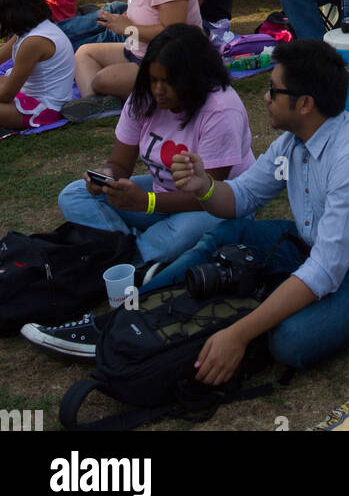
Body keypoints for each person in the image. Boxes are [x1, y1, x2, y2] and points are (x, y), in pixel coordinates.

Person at [129, 39, 349, 380]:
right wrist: (204, 186)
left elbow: (325, 270)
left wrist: (238, 335)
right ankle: (136, 305)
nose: (265, 98)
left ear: (305, 104)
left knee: (291, 341)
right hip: (315, 248)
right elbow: (241, 197)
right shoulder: (293, 141)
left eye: (273, 90)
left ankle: (242, 317)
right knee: (227, 233)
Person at [30, 26, 254, 318]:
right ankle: (129, 253)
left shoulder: (221, 109)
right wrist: (107, 174)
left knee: (176, 236)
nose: (158, 90)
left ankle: (118, 251)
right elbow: (121, 163)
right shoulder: (144, 98)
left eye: (168, 82)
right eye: (153, 79)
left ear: (195, 78)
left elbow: (209, 193)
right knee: (74, 195)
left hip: (217, 202)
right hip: (163, 191)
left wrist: (146, 202)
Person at [63, 0, 203, 121]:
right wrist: (120, 21)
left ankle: (113, 102)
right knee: (84, 53)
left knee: (100, 79)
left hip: (168, 64)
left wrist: (127, 28)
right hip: (140, 51)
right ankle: (102, 104)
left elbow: (173, 34)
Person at [0, 0, 75, 130]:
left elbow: (6, 95)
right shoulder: (35, 28)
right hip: (32, 97)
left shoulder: (33, 42)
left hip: (45, 110)